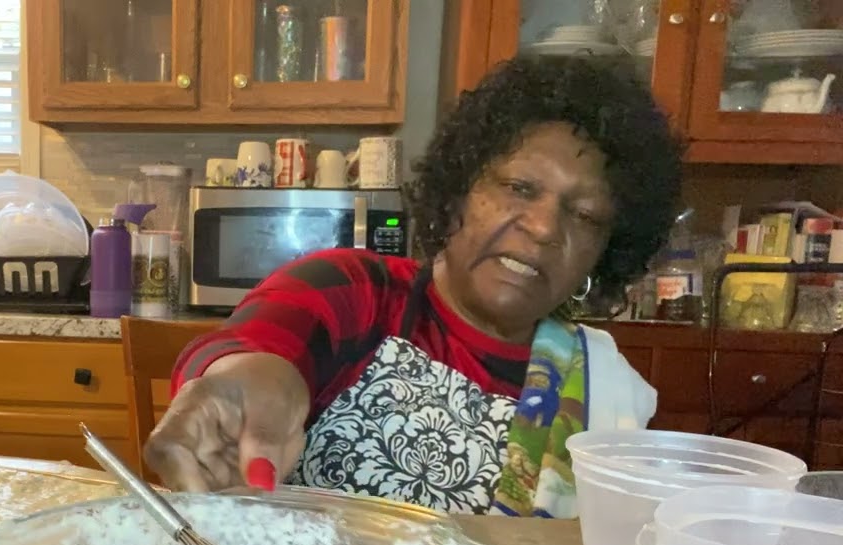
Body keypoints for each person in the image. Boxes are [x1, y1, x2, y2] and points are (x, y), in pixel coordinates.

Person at [144, 56, 685, 518]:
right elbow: (258, 348)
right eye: (519, 188)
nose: (544, 228)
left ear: (607, 251)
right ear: (458, 190)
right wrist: (241, 385)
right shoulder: (355, 289)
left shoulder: (599, 385)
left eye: (585, 215)